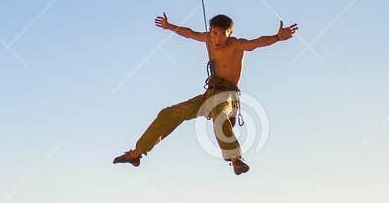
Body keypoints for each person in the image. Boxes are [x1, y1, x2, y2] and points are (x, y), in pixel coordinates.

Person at [114, 12, 297, 175]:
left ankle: (235, 159)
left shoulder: (236, 45)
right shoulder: (208, 40)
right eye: (213, 33)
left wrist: (278, 37)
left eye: (221, 34)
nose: (216, 38)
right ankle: (137, 153)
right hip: (208, 95)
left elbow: (256, 43)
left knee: (220, 115)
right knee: (168, 113)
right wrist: (169, 26)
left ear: (230, 33)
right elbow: (189, 33)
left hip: (227, 96)